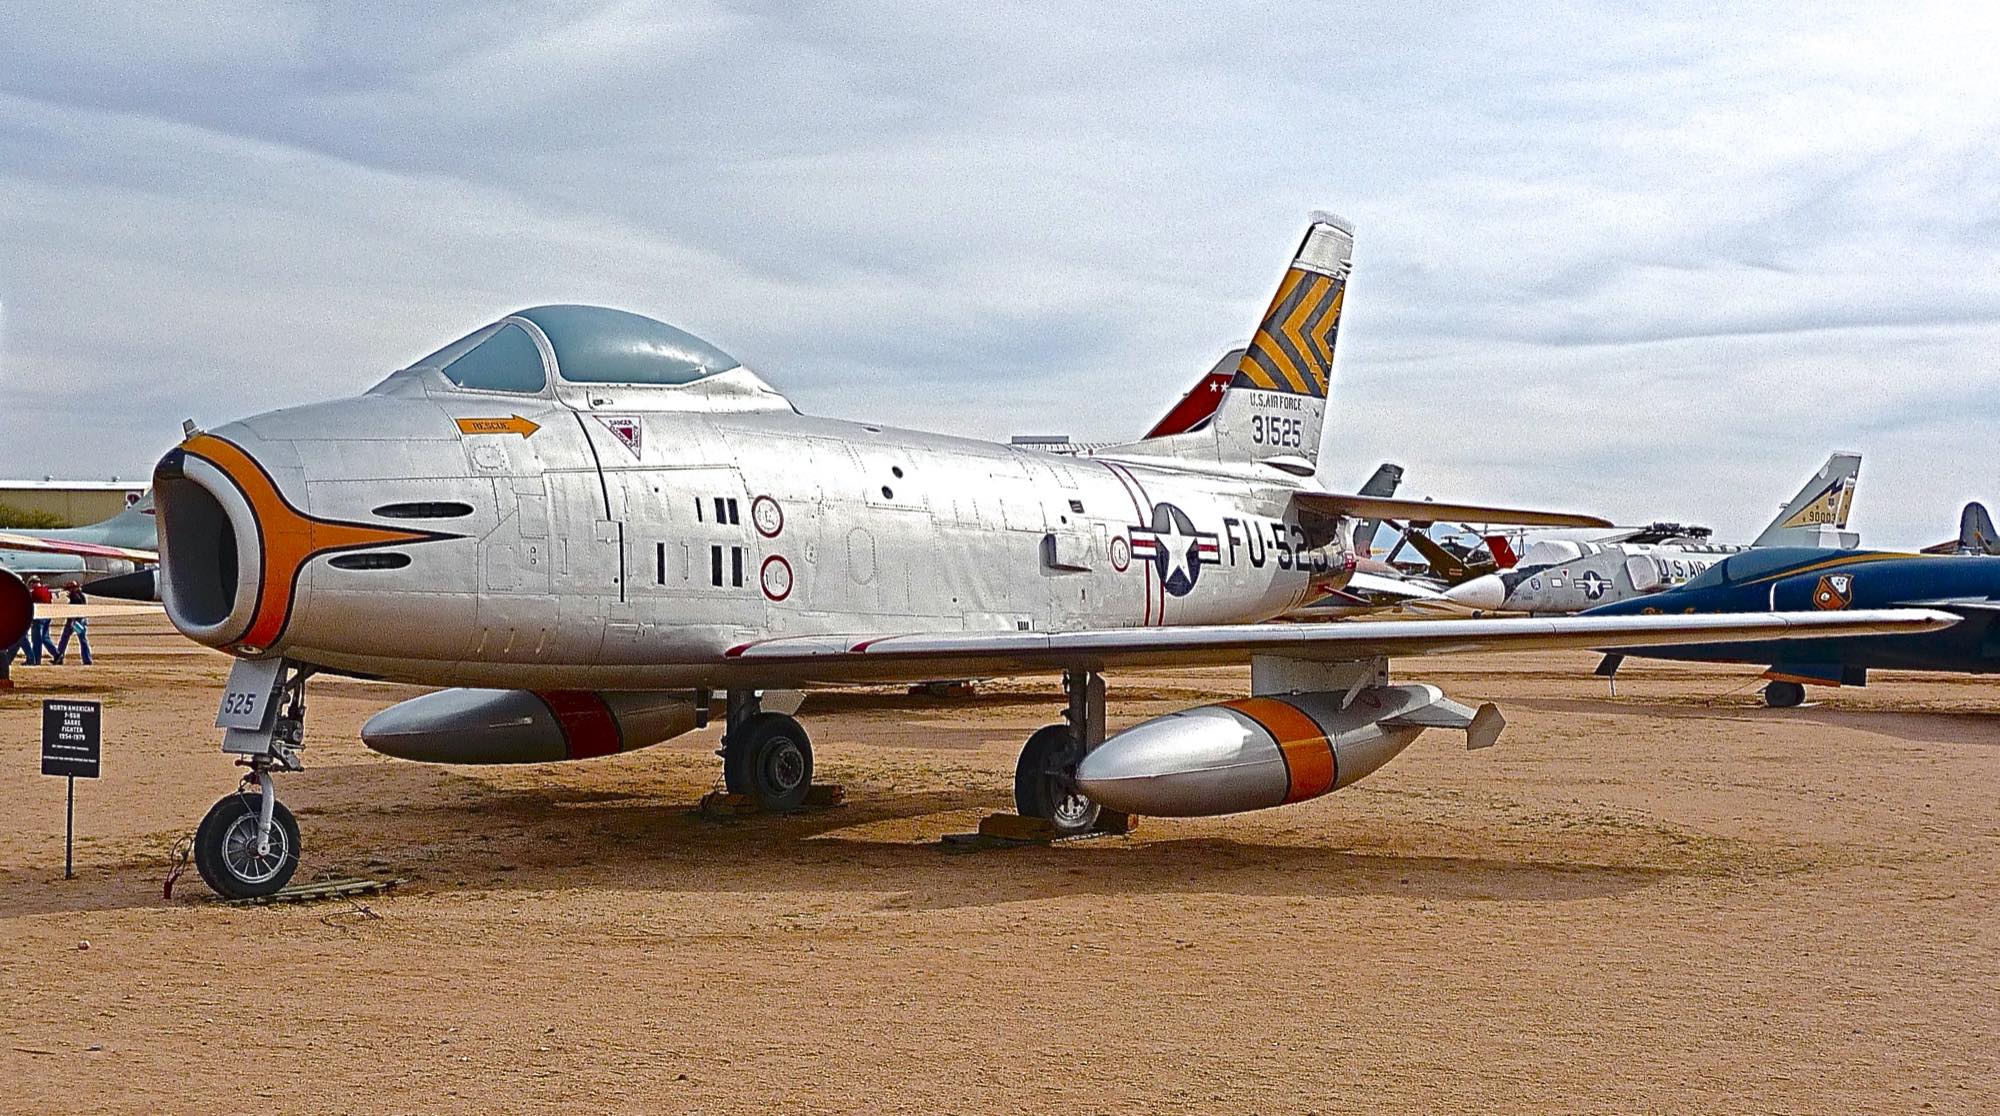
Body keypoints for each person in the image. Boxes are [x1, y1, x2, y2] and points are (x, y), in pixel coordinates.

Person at [53, 581, 92, 666]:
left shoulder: (75, 596)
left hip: (74, 621)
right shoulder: (81, 596)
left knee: (64, 639)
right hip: (81, 620)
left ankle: (59, 657)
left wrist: (72, 621)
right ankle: (87, 659)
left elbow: (74, 610)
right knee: (82, 640)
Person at [23, 579, 57, 666]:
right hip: (48, 616)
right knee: (45, 638)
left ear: (33, 583)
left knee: (36, 640)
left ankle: (36, 660)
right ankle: (57, 654)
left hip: (38, 618)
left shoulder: (34, 593)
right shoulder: (47, 591)